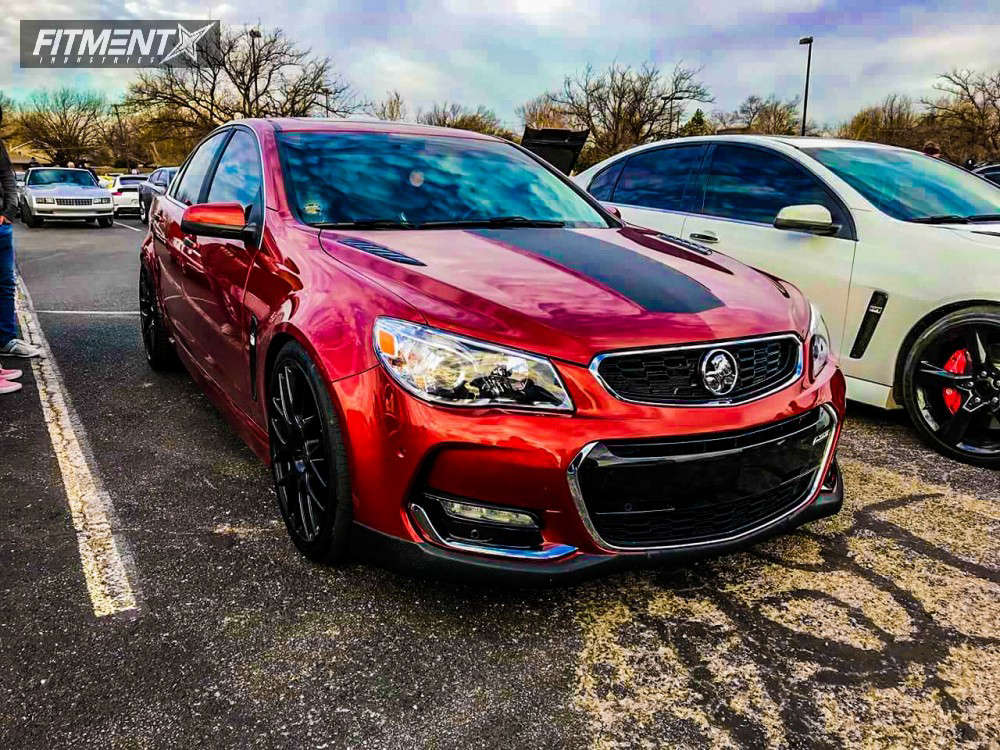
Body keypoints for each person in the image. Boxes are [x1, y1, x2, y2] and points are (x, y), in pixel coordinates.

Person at [0, 104, 44, 381]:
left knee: (6, 284)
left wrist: (8, 213)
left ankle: (6, 340)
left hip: (1, 227)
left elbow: (7, 179)